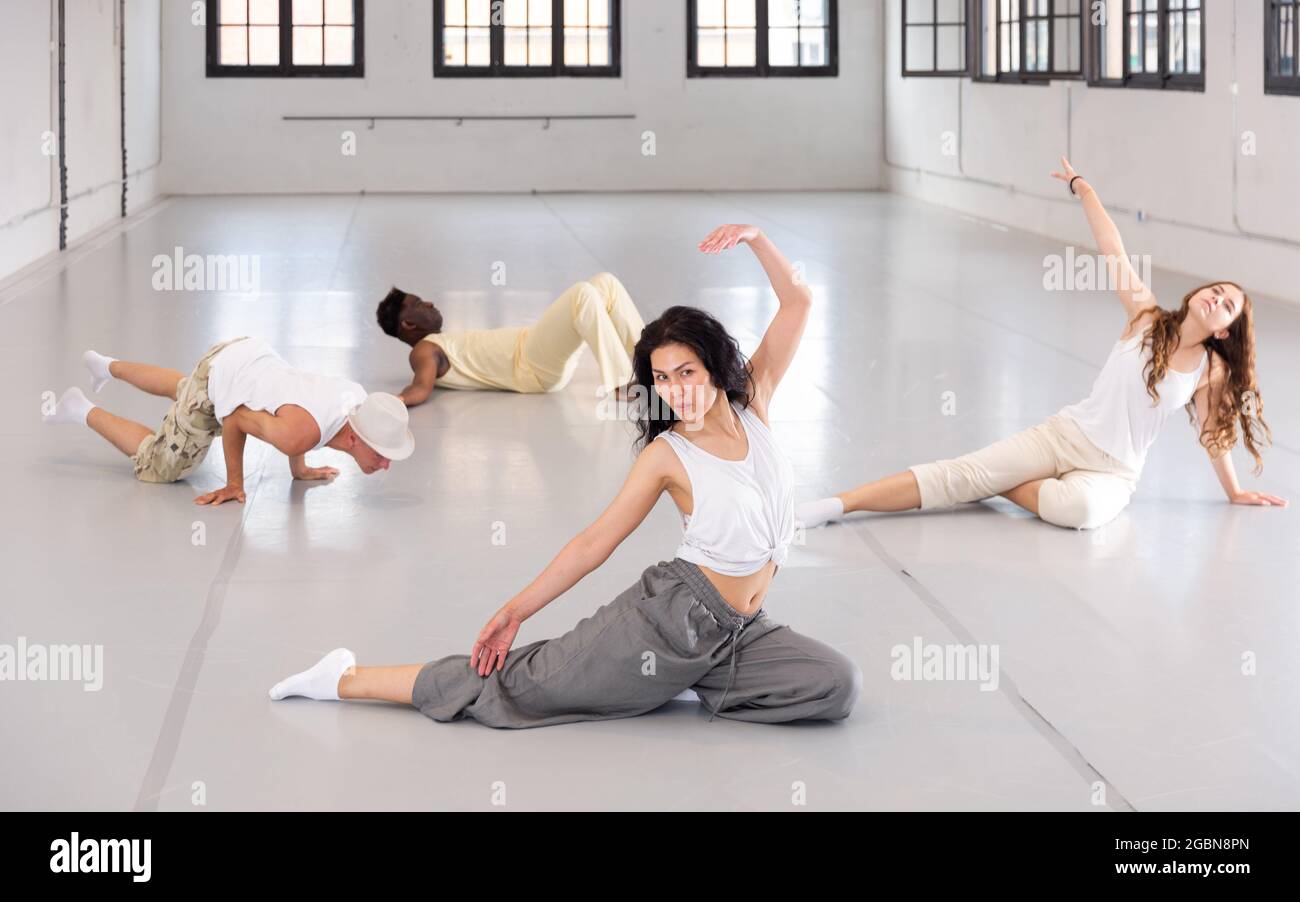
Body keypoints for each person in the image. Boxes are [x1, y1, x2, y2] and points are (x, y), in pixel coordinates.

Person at [271, 225, 862, 727]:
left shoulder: (751, 404)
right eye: (661, 378)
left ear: (715, 367)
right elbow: (593, 543)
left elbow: (798, 303)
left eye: (687, 371)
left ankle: (671, 681)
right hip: (669, 623)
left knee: (834, 685)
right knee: (517, 688)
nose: (675, 390)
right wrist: (515, 610)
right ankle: (344, 679)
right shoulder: (669, 455)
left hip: (739, 630)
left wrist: (756, 237)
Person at [797, 157, 1287, 533]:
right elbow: (1113, 247)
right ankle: (837, 504)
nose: (1216, 299)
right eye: (1216, 291)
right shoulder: (1146, 315)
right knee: (958, 474)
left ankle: (1001, 483)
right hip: (1064, 436)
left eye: (1227, 306)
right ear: (1199, 293)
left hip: (1114, 473)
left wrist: (1236, 491)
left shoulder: (1209, 371)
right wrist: (1084, 190)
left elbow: (1213, 435)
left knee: (1081, 512)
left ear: (1225, 331)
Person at [43, 337, 415, 506]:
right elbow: (235, 419)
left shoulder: (357, 401)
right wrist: (234, 484)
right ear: (354, 438)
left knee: (186, 389)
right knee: (163, 465)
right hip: (226, 376)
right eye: (382, 454)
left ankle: (104, 365)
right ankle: (79, 407)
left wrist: (299, 468)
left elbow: (303, 407)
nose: (384, 464)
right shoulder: (296, 434)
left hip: (245, 354)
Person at [376, 272, 646, 405]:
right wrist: (396, 402)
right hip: (531, 365)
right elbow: (421, 386)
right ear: (409, 323)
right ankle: (621, 382)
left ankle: (650, 364)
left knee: (605, 283)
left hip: (536, 349)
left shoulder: (440, 341)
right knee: (582, 294)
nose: (430, 303)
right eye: (420, 304)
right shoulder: (424, 351)